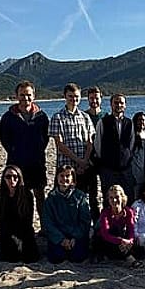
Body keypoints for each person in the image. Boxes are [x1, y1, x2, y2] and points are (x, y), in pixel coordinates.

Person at [0, 81, 50, 225]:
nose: (25, 98)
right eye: (22, 95)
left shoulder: (42, 116)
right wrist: (15, 150)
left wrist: (37, 150)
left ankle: (44, 227)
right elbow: (4, 139)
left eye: (28, 95)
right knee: (20, 196)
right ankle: (24, 226)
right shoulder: (8, 117)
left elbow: (45, 138)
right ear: (17, 96)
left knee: (40, 196)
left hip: (37, 163)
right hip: (16, 163)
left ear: (33, 96)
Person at [48, 83, 96, 215]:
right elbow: (60, 145)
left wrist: (84, 161)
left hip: (83, 167)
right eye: (70, 96)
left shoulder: (85, 117)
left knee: (82, 199)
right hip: (65, 167)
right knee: (63, 200)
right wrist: (78, 161)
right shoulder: (57, 117)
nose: (73, 99)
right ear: (65, 97)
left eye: (76, 97)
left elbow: (89, 142)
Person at [43, 164, 92, 264]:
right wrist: (61, 239)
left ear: (73, 179)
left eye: (67, 176)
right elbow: (48, 222)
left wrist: (75, 237)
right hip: (59, 237)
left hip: (76, 236)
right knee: (57, 257)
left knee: (78, 257)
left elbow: (85, 221)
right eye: (61, 175)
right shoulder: (51, 198)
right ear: (57, 178)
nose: (64, 179)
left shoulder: (80, 197)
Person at [0, 165, 40, 263]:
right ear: (3, 179)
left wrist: (20, 239)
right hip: (7, 233)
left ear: (19, 178)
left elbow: (28, 219)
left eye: (15, 177)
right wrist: (13, 237)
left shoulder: (27, 195)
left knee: (31, 258)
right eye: (8, 177)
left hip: (24, 231)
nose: (12, 180)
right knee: (11, 258)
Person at [93, 93, 136, 202]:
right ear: (111, 105)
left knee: (127, 198)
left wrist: (126, 158)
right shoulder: (103, 122)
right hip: (108, 169)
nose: (118, 105)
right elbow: (98, 145)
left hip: (125, 169)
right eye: (116, 103)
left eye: (121, 103)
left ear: (125, 105)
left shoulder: (129, 123)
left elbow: (131, 144)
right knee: (109, 200)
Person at [94, 185, 145, 267]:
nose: (114, 200)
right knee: (114, 232)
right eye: (111, 198)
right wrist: (121, 241)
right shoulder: (105, 213)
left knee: (138, 248)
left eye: (117, 197)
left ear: (122, 198)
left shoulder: (128, 212)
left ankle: (126, 255)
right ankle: (130, 259)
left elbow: (131, 230)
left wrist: (129, 241)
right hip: (107, 241)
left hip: (122, 241)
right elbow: (105, 234)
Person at [80, 86, 105, 219]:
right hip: (88, 160)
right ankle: (92, 219)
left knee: (105, 191)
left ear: (101, 98)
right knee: (91, 193)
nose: (94, 101)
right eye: (91, 98)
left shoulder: (105, 117)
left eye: (96, 98)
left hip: (103, 161)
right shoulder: (83, 116)